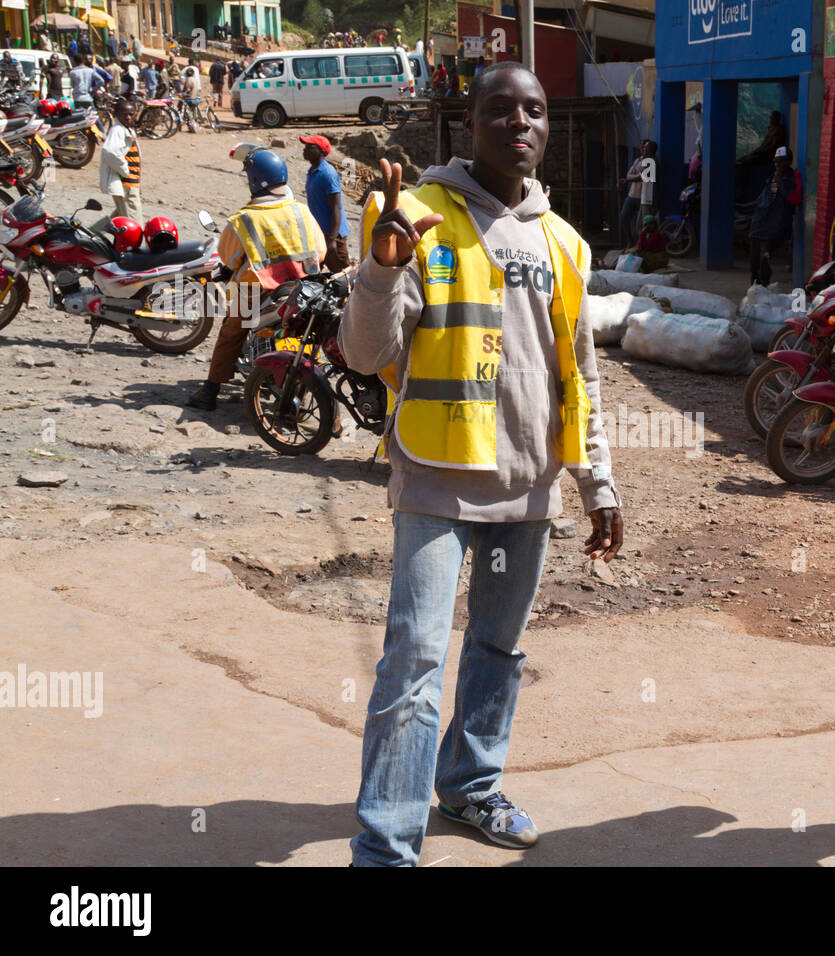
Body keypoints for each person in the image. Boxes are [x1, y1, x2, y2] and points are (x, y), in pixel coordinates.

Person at [340, 61, 622, 866]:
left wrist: (597, 481)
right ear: (471, 123)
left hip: (529, 486)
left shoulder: (566, 243)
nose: (520, 124)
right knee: (416, 661)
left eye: (533, 111)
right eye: (500, 110)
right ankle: (388, 844)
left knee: (499, 652)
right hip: (436, 477)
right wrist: (382, 267)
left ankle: (470, 787)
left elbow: (582, 376)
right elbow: (364, 356)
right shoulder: (415, 214)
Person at [187, 147, 326, 412]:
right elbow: (321, 251)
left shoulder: (243, 221)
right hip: (303, 290)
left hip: (258, 292)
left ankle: (210, 391)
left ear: (254, 181)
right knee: (311, 335)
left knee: (230, 332)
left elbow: (228, 258)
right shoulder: (301, 211)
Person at [747, 146, 802, 286]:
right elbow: (769, 196)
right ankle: (754, 288)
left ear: (788, 161)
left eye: (781, 161)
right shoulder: (773, 177)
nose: (778, 165)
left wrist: (780, 183)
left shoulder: (792, 177)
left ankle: (763, 287)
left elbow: (795, 198)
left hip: (775, 226)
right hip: (760, 223)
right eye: (776, 162)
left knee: (765, 259)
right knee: (754, 262)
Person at [300, 135, 350, 273]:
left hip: (333, 234)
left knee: (342, 274)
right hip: (320, 233)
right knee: (314, 272)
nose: (305, 150)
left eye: (310, 147)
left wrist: (333, 239)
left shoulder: (327, 173)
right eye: (305, 147)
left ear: (321, 151)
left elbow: (336, 207)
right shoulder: (312, 172)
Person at [100, 96, 143, 225]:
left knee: (118, 218)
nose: (128, 117)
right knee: (134, 224)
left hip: (131, 184)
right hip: (126, 185)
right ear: (116, 114)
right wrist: (125, 170)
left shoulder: (127, 129)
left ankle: (93, 233)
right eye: (124, 114)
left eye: (131, 114)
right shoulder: (118, 130)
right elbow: (110, 151)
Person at [618, 139, 650, 247]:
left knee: (640, 223)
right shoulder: (638, 160)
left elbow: (642, 177)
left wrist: (632, 177)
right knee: (623, 216)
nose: (642, 149)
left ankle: (639, 244)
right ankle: (630, 241)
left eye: (645, 147)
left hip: (643, 197)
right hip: (632, 195)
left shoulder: (650, 162)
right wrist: (631, 178)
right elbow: (629, 175)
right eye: (641, 147)